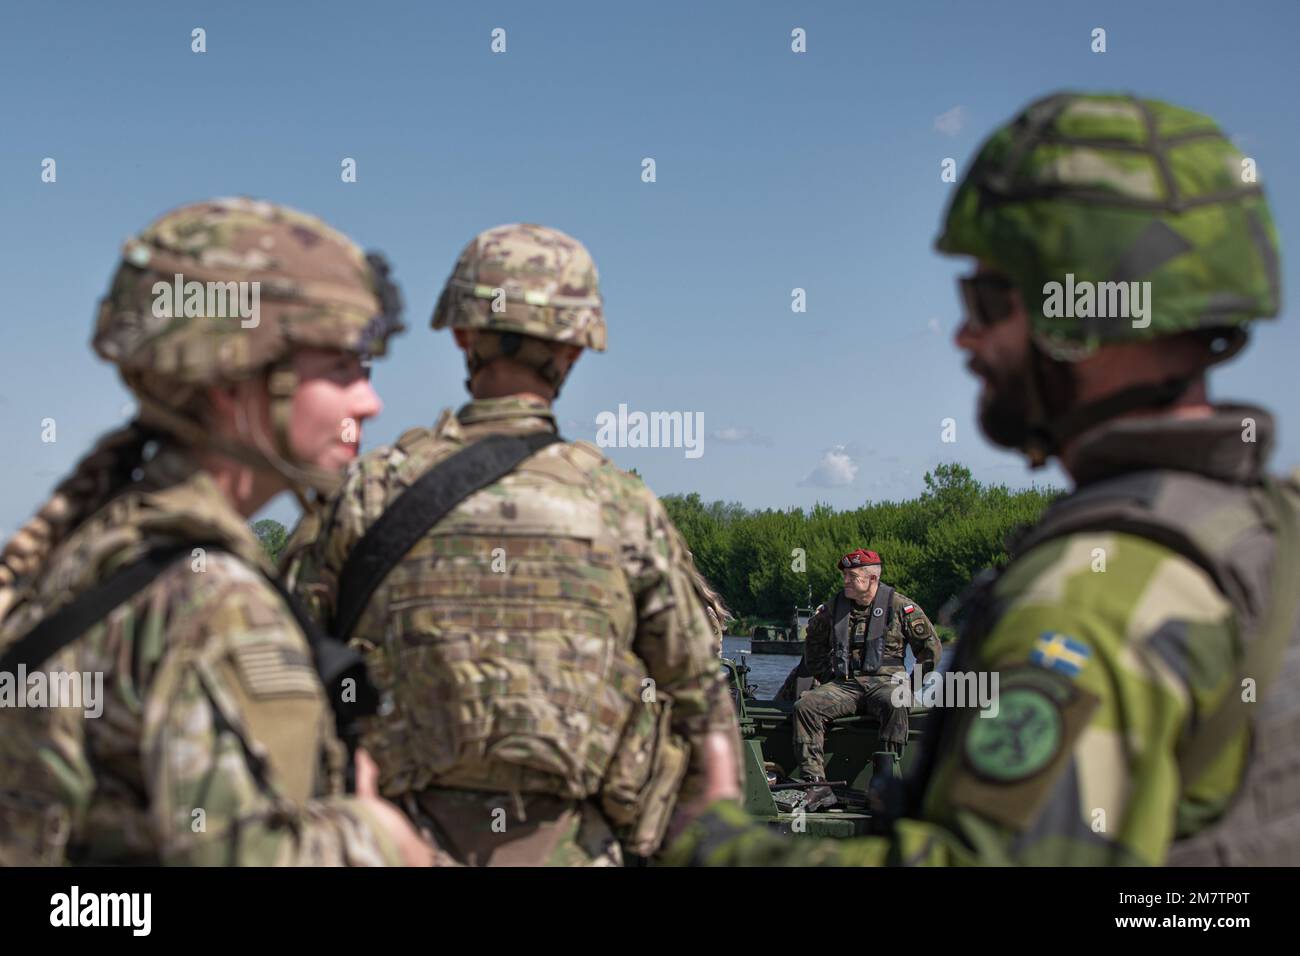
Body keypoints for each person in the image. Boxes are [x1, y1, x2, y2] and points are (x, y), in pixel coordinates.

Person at [663, 91, 1300, 866]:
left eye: (988, 299)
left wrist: (713, 839)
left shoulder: (1095, 601)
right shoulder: (1264, 536)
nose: (962, 334)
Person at [284, 222, 742, 865]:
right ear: (577, 349)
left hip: (392, 843)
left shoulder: (367, 492)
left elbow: (289, 668)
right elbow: (699, 698)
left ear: (462, 335)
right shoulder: (621, 507)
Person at [0, 198, 432, 866]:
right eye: (342, 369)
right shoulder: (213, 596)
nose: (369, 402)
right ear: (237, 380)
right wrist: (379, 836)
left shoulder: (97, 546)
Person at [793, 549, 939, 807]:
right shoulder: (832, 609)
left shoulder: (900, 607)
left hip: (886, 682)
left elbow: (930, 650)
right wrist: (828, 677)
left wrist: (913, 686)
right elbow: (813, 647)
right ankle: (816, 784)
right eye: (845, 576)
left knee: (896, 702)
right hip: (846, 684)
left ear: (872, 579)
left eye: (852, 576)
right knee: (806, 706)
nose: (845, 581)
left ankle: (884, 782)